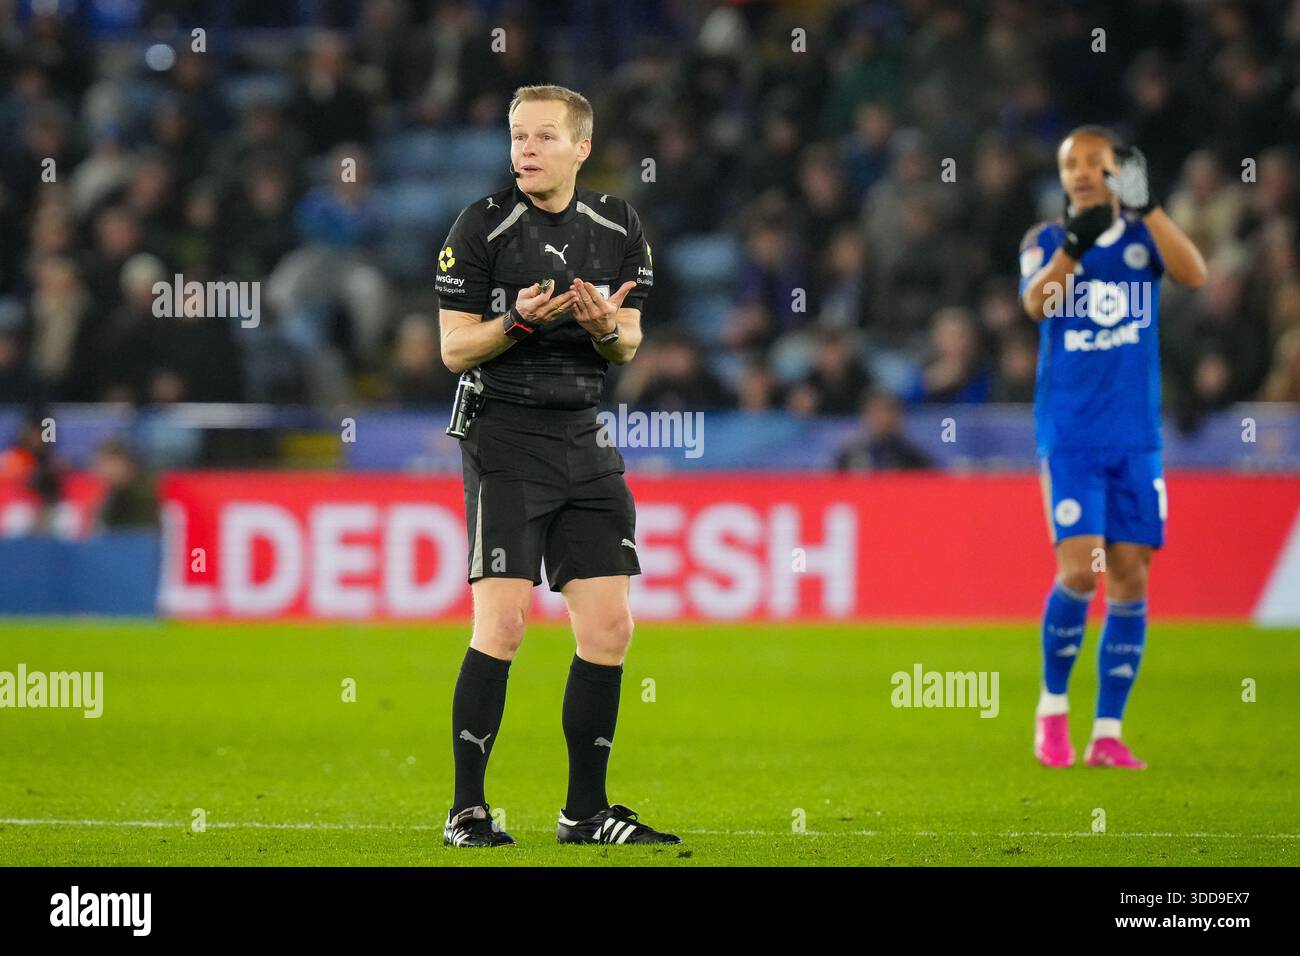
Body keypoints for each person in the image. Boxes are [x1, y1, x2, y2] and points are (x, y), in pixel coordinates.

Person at [435, 84, 678, 847]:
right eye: (516, 137)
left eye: (542, 137)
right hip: (505, 437)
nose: (525, 151)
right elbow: (452, 348)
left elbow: (630, 339)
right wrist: (514, 323)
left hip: (585, 436)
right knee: (503, 626)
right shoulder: (481, 226)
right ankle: (467, 810)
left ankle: (585, 812)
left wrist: (607, 329)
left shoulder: (618, 224)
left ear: (581, 147)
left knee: (610, 630)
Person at [1019, 126, 1206, 770]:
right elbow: (1037, 306)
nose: (1080, 173)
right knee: (1079, 569)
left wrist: (1148, 207)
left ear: (1118, 171)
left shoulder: (1141, 240)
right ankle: (1051, 713)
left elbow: (1196, 273)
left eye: (1095, 164)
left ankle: (1108, 732)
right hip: (1071, 436)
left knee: (1130, 576)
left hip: (1136, 439)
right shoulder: (1045, 242)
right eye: (1071, 163)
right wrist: (1073, 246)